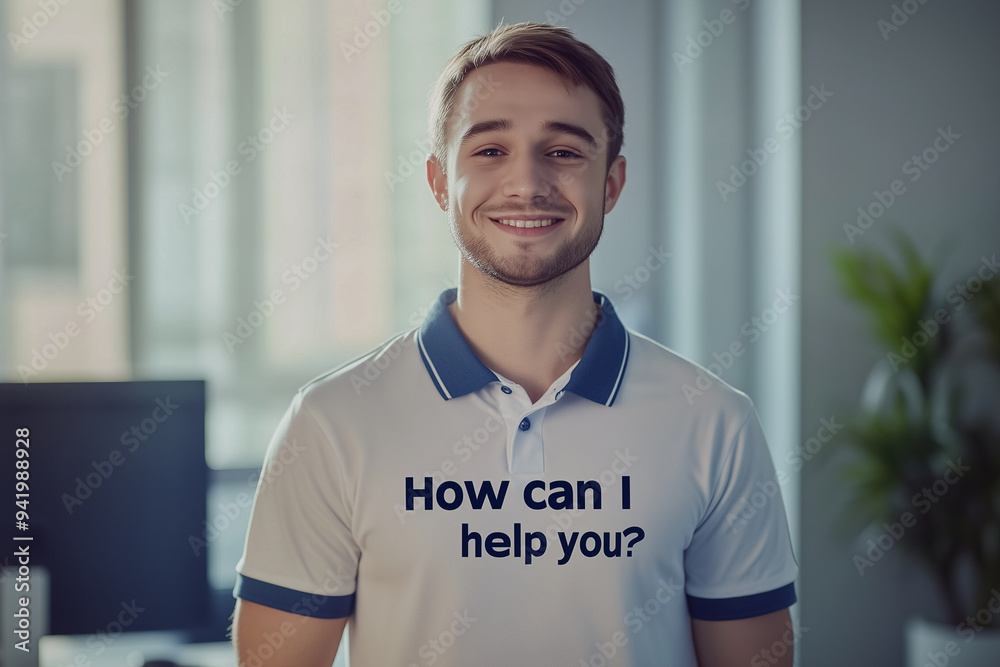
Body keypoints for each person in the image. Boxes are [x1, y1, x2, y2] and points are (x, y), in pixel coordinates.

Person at [232, 22, 798, 666]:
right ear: (440, 183)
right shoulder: (330, 424)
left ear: (610, 184)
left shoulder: (715, 422)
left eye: (563, 151)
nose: (527, 183)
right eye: (490, 151)